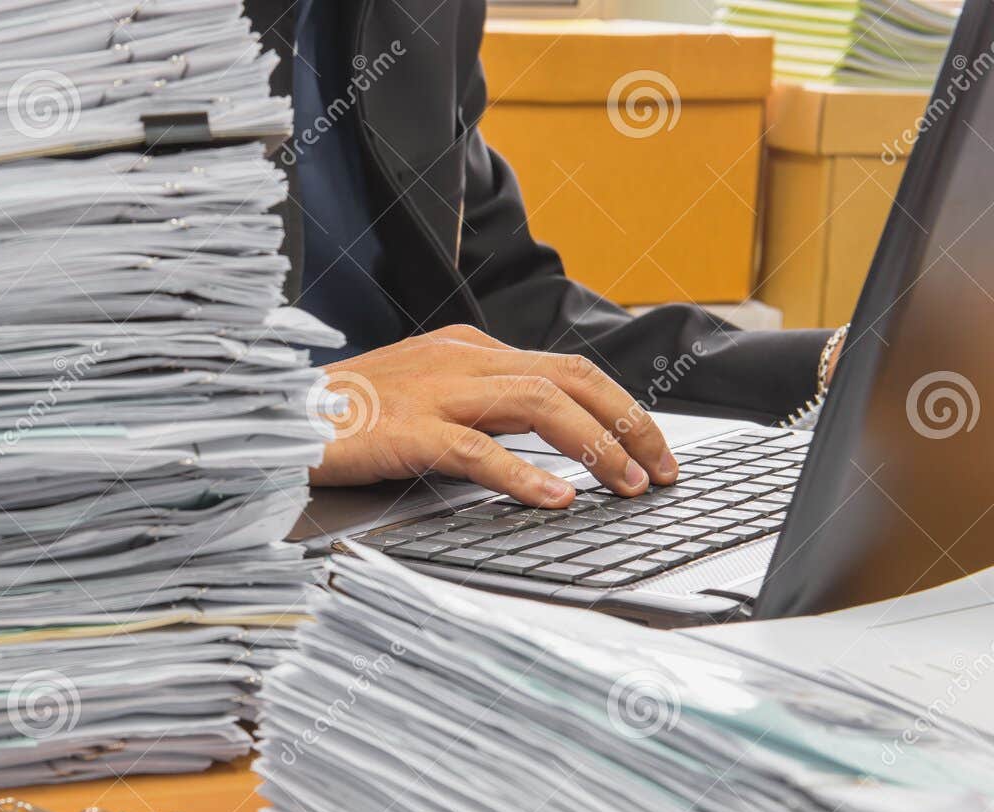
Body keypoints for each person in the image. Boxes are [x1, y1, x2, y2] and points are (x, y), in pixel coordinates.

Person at [246, 0, 845, 506]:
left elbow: (500, 304)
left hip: (417, 503)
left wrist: (827, 365)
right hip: (215, 518)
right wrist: (300, 414)